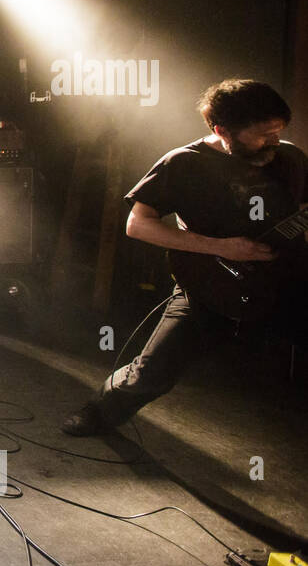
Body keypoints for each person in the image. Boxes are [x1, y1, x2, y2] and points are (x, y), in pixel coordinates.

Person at [62, 79, 308, 436]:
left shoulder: (292, 157)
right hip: (210, 285)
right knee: (152, 372)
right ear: (222, 129)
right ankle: (99, 413)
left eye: (278, 131)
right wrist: (222, 247)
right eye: (264, 134)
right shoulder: (183, 163)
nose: (274, 141)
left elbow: (301, 209)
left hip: (287, 279)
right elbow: (138, 225)